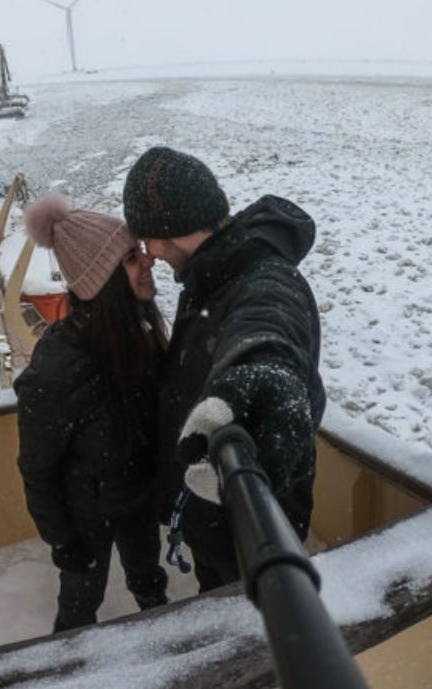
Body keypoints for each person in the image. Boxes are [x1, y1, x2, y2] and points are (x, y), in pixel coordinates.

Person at [122, 146, 325, 593]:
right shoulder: (211, 275)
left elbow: (267, 324)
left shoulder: (266, 279)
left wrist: (262, 377)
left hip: (249, 524)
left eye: (147, 240)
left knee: (249, 620)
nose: (149, 255)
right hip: (214, 514)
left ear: (169, 232)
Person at [15, 195, 168, 632]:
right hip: (86, 512)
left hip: (136, 496)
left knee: (149, 579)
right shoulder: (56, 372)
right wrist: (62, 541)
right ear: (103, 282)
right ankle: (69, 659)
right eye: (131, 258)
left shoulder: (137, 333)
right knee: (81, 601)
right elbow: (37, 468)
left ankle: (160, 632)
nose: (148, 261)